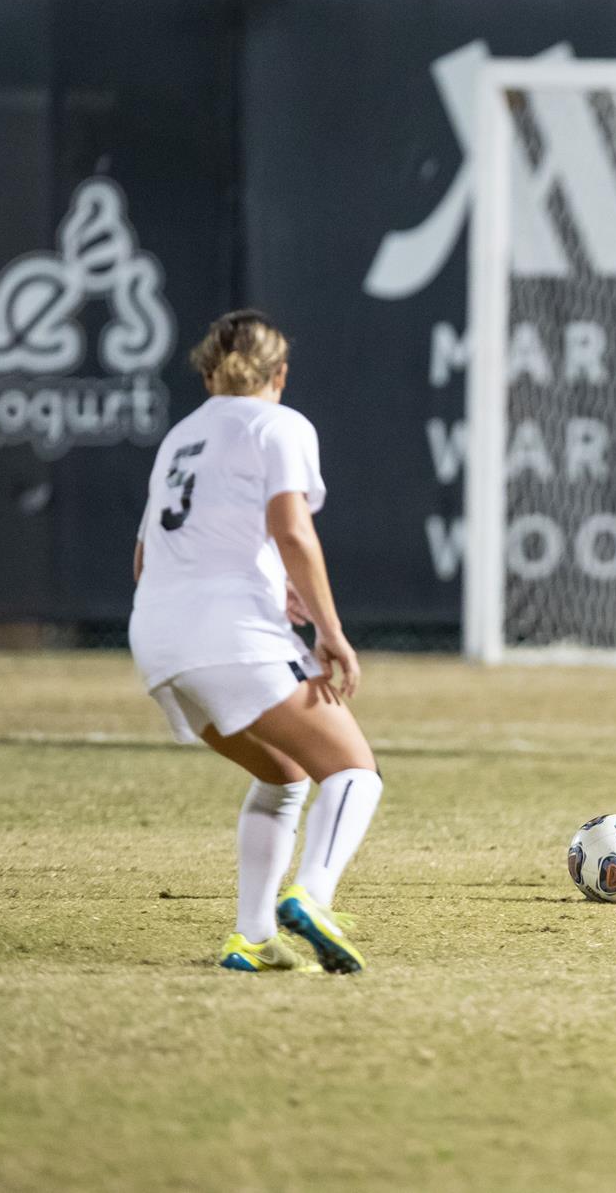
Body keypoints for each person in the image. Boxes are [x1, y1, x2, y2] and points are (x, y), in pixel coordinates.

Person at [128, 310, 382, 973]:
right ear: (281, 373)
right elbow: (293, 530)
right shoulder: (281, 424)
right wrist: (329, 631)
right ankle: (315, 896)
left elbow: (146, 560)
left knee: (283, 773)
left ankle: (251, 935)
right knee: (354, 771)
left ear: (208, 371)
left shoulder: (181, 438)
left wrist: (274, 593)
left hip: (158, 642)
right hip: (232, 636)